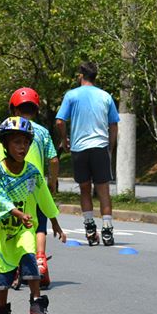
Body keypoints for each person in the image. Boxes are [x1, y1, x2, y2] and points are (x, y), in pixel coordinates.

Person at [0, 117, 66, 314]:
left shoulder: (32, 172)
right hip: (3, 230)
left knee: (30, 258)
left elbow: (44, 197)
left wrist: (55, 222)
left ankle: (37, 302)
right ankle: (2, 312)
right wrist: (18, 213)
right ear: (5, 144)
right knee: (2, 275)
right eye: (17, 142)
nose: (22, 147)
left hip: (24, 229)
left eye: (26, 142)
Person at [0, 88, 59, 287]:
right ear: (36, 110)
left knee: (14, 229)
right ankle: (40, 261)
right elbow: (54, 160)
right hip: (36, 187)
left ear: (13, 108)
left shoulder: (9, 131)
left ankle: (12, 268)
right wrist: (51, 183)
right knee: (39, 226)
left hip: (13, 188)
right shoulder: (43, 132)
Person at [55, 61, 119, 246]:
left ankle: (90, 229)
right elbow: (113, 124)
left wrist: (64, 139)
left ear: (81, 76)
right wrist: (110, 147)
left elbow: (60, 121)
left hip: (79, 148)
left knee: (84, 188)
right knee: (103, 189)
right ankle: (107, 230)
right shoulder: (106, 96)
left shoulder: (71, 95)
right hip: (100, 146)